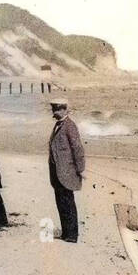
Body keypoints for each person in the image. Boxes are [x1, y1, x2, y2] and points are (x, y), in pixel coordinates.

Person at [48, 101, 86, 243]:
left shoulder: (70, 126)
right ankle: (66, 232)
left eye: (56, 109)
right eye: (53, 109)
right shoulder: (59, 124)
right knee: (61, 202)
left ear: (64, 110)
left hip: (66, 171)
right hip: (57, 172)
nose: (54, 112)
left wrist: (80, 168)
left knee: (67, 202)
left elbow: (78, 148)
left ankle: (71, 235)